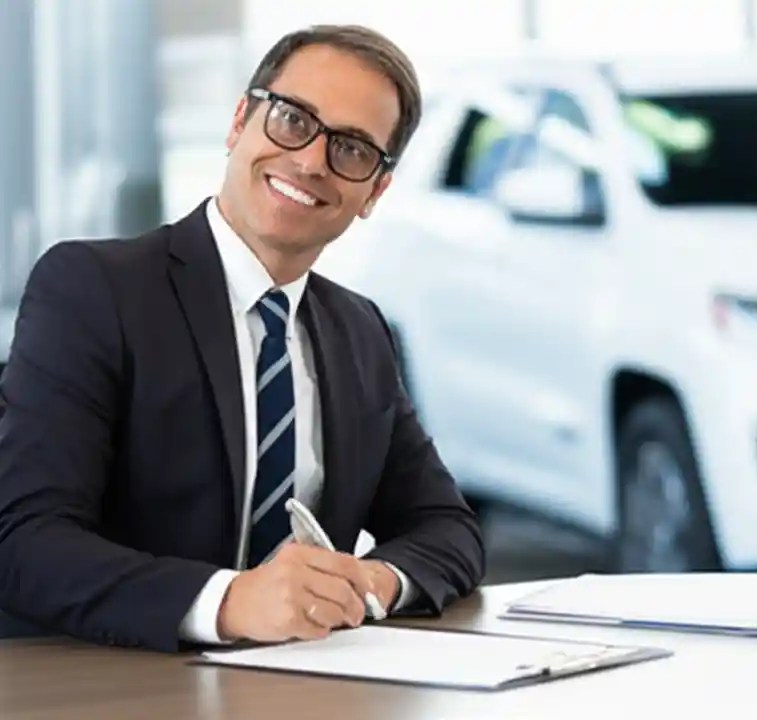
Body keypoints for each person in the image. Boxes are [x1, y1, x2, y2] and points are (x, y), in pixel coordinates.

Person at [0, 25, 485, 651]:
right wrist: (226, 602)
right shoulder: (94, 289)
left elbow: (447, 527)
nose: (311, 160)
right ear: (239, 123)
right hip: (111, 684)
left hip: (299, 692)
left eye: (354, 150)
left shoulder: (360, 330)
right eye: (292, 119)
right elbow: (22, 540)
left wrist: (372, 581)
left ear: (375, 192)